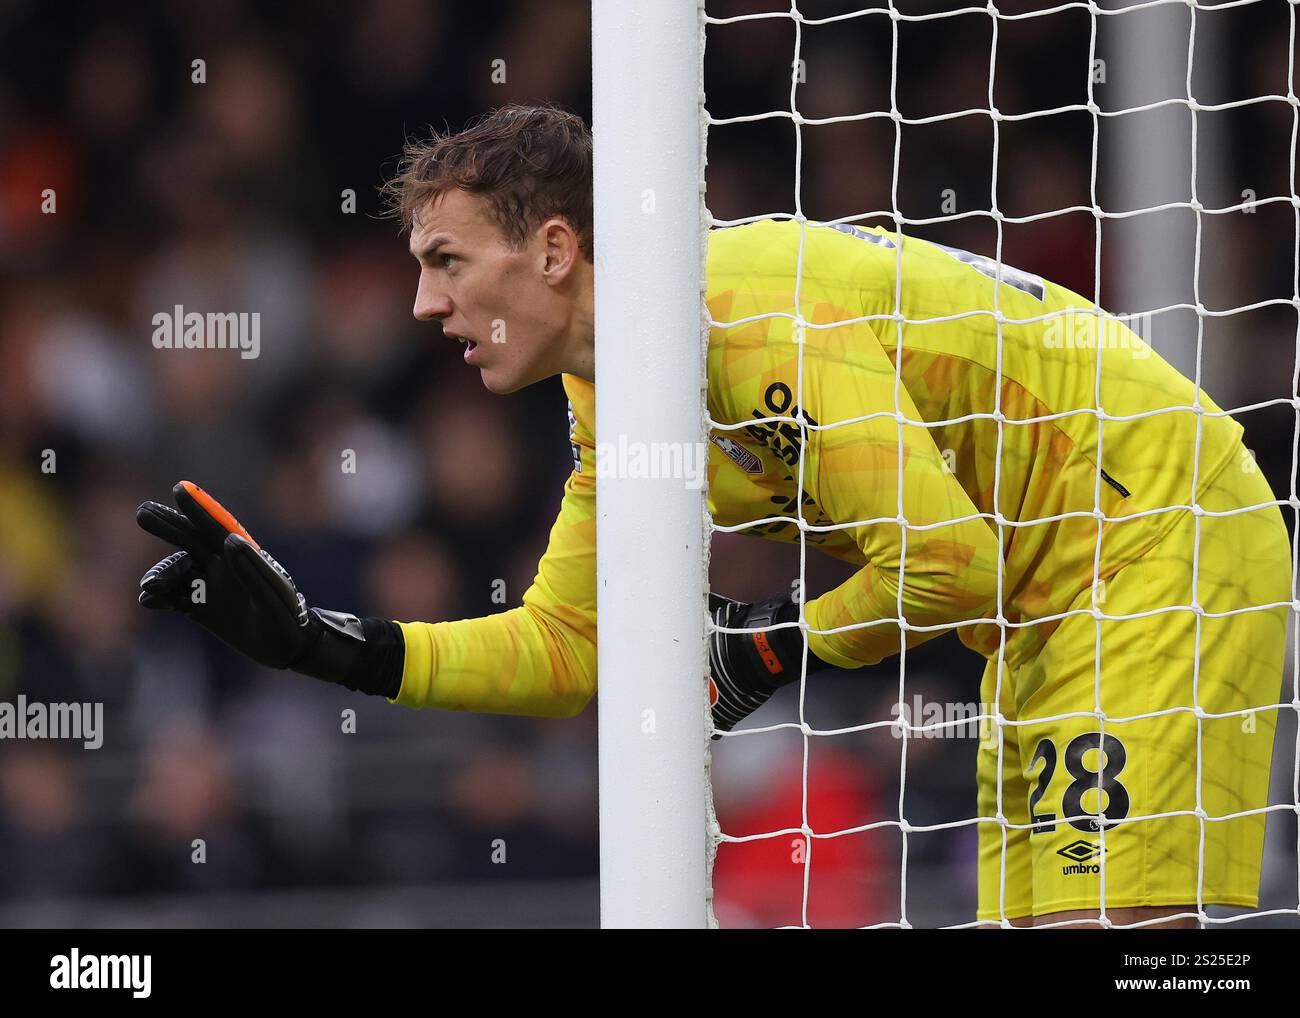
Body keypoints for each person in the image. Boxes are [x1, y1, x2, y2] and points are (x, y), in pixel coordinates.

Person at [137, 102, 1290, 928]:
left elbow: (948, 563)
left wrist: (771, 642)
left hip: (1158, 534)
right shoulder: (613, 388)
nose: (422, 301)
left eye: (446, 260)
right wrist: (320, 645)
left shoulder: (739, 319)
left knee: (1121, 932)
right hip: (1040, 602)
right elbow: (563, 646)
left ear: (551, 251)